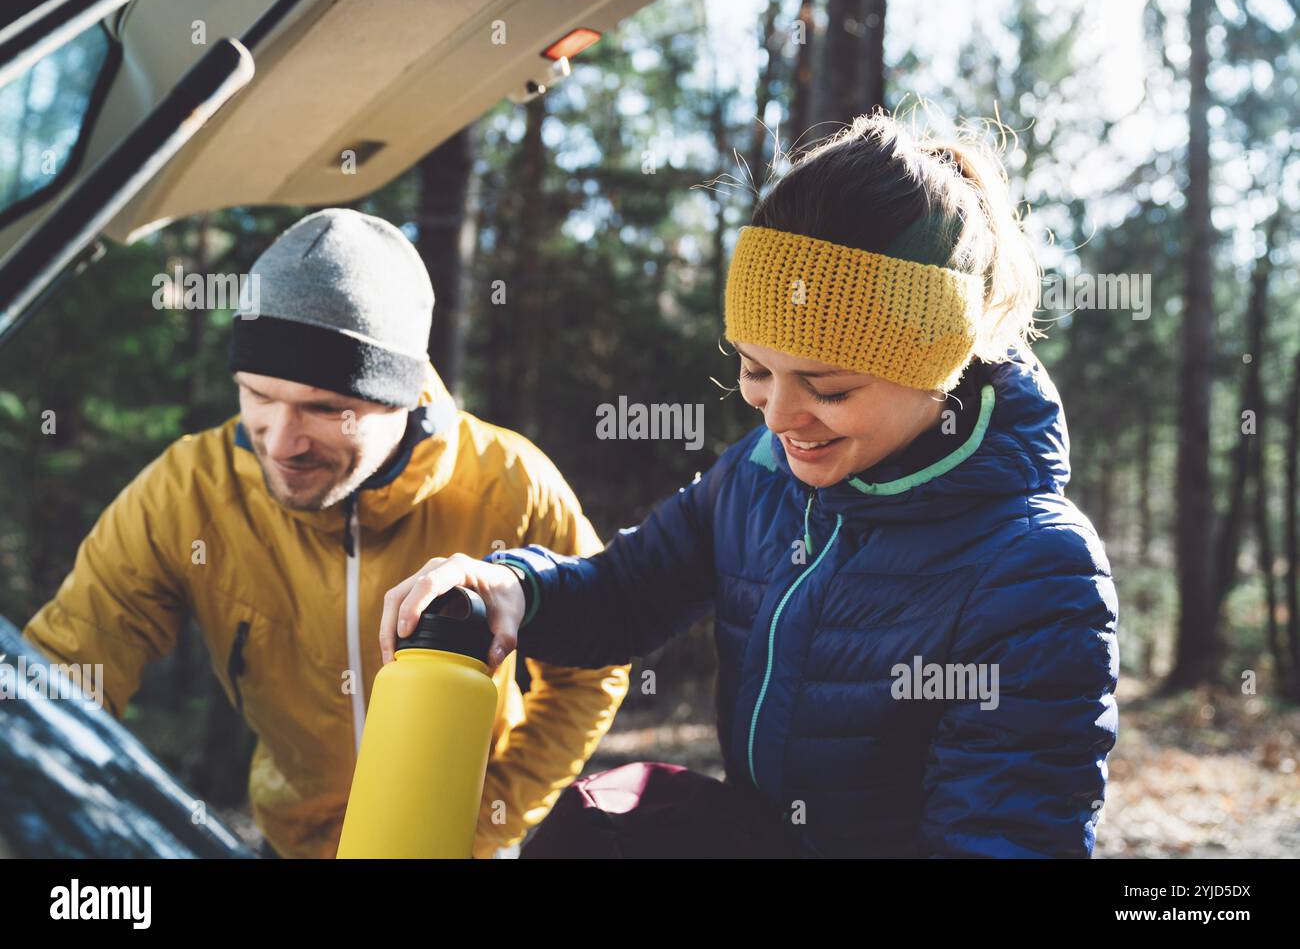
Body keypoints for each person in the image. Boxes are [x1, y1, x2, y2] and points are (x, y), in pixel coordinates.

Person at [380, 112, 1121, 858]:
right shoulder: (761, 476)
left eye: (827, 387)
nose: (782, 416)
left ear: (940, 363)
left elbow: (1004, 840)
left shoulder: (1032, 569)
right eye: (756, 370)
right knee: (608, 823)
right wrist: (514, 588)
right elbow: (628, 591)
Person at [23, 208, 629, 859]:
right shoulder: (186, 492)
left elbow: (594, 666)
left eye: (322, 408)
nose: (282, 442)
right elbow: (65, 671)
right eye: (257, 394)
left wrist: (481, 821)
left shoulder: (509, 483)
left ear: (399, 399)